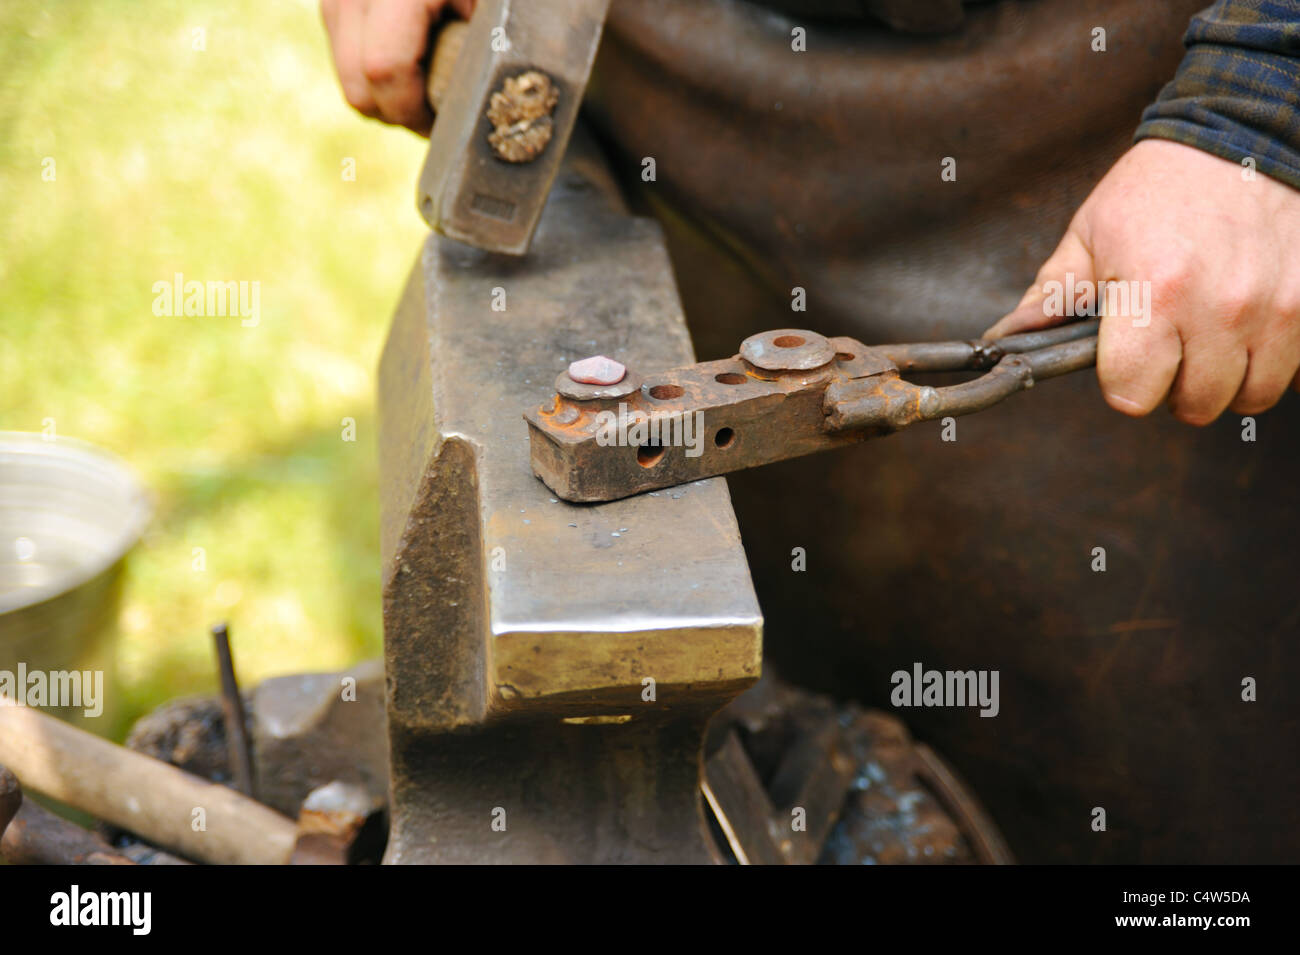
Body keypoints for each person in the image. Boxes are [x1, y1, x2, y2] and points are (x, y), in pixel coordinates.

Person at [322, 0, 1300, 863]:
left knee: (1151, 783)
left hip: (1128, 113)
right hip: (681, 107)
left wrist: (1255, 107)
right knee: (765, 729)